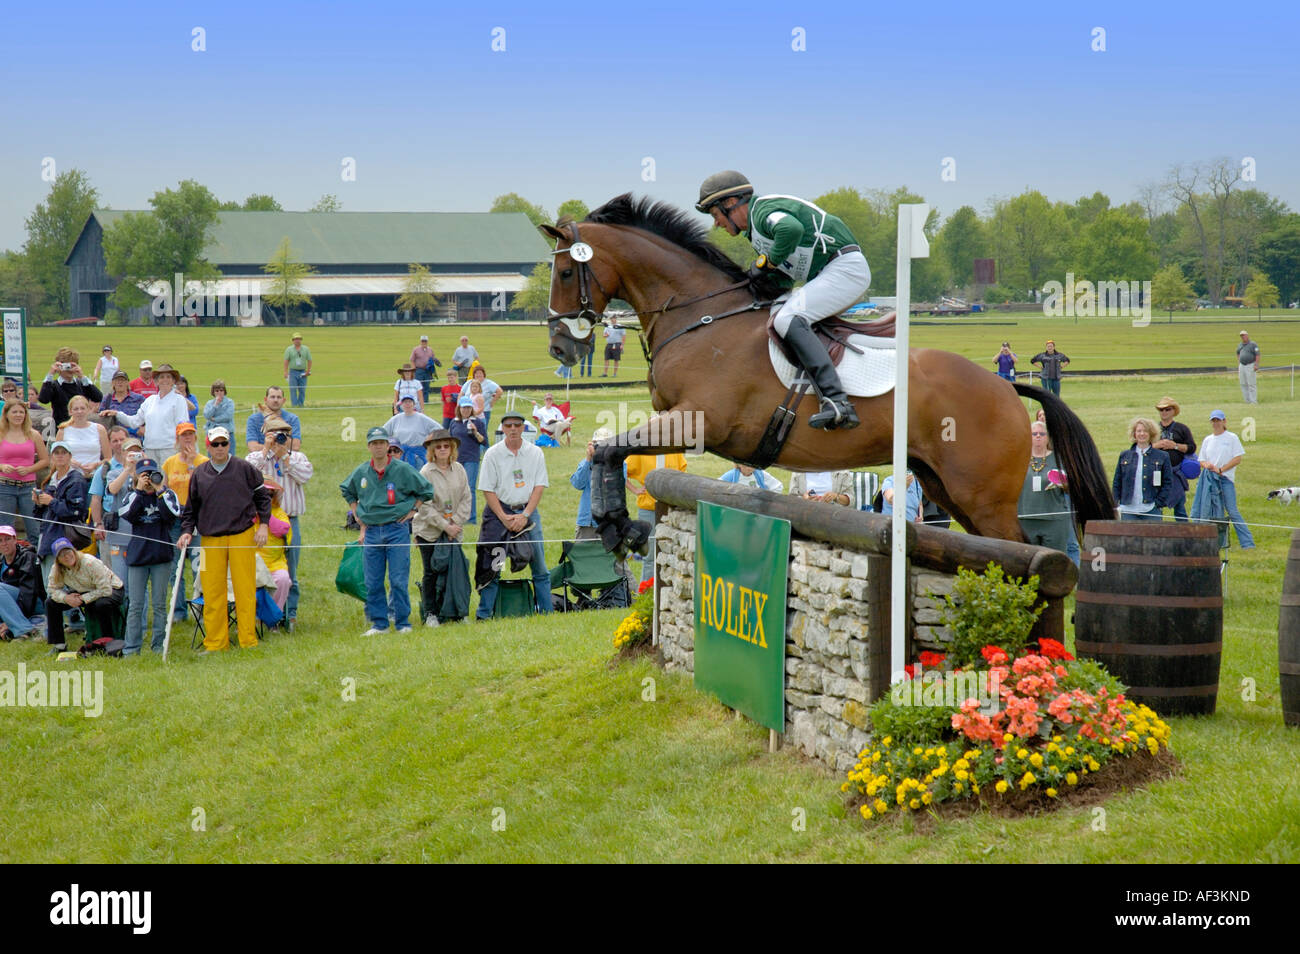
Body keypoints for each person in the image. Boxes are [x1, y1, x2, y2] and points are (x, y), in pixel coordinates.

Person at [696, 170, 869, 429]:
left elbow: (791, 229)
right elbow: (784, 278)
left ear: (730, 203)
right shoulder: (756, 233)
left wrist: (767, 262)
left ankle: (837, 401)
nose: (716, 224)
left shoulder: (762, 212)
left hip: (845, 269)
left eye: (715, 215)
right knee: (776, 312)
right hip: (832, 272)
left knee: (788, 318)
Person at [176, 427, 271, 652]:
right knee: (212, 591)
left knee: (245, 589)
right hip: (210, 538)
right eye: (215, 444)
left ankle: (248, 640)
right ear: (208, 446)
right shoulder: (199, 473)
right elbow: (191, 508)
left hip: (241, 534)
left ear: (229, 445)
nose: (220, 448)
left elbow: (263, 497)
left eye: (224, 443)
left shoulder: (244, 468)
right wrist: (187, 530)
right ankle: (216, 642)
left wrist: (264, 525)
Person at [340, 427, 435, 636]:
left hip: (396, 529)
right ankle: (379, 624)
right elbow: (347, 489)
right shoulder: (362, 471)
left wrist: (414, 510)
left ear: (387, 446)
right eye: (374, 443)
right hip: (372, 530)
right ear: (369, 447)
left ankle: (402, 623)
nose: (379, 447)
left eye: (382, 443)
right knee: (372, 580)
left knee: (398, 579)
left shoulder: (402, 469)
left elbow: (426, 490)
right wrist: (356, 512)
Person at [475, 409, 552, 619]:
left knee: (540, 566)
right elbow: (487, 489)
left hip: (528, 514)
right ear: (502, 428)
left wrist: (525, 515)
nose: (513, 429)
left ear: (523, 427)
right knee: (494, 566)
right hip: (499, 515)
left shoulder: (535, 453)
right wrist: (503, 517)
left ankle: (547, 613)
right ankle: (484, 615)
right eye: (508, 425)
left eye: (517, 425)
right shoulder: (492, 454)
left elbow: (539, 486)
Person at [245, 417, 313, 629]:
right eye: (274, 434)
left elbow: (305, 476)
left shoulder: (298, 457)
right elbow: (246, 475)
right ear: (265, 435)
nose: (279, 439)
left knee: (290, 571)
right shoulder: (255, 457)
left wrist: (285, 457)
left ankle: (289, 615)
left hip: (289, 520)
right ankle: (262, 616)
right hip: (261, 521)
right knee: (259, 570)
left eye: (283, 435)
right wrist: (266, 451)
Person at [119, 458, 181, 656]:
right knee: (135, 605)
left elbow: (172, 515)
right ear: (136, 476)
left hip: (161, 557)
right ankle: (131, 648)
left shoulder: (167, 494)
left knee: (159, 605)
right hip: (138, 557)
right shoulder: (132, 495)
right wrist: (139, 490)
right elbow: (127, 514)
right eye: (143, 474)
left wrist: (159, 490)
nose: (147, 478)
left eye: (151, 474)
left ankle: (158, 647)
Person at [414, 429, 472, 626]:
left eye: (446, 446)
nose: (442, 449)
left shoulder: (460, 469)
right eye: (438, 447)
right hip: (429, 532)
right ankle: (431, 613)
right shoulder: (425, 472)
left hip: (454, 530)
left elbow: (466, 498)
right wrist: (445, 526)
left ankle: (456, 612)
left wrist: (455, 523)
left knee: (454, 571)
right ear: (432, 450)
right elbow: (424, 506)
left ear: (452, 448)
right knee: (431, 572)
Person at [43, 537, 125, 654]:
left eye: (68, 552)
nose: (66, 557)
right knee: (50, 603)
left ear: (74, 551)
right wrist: (66, 598)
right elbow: (52, 589)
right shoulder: (56, 569)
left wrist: (82, 598)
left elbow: (105, 590)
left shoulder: (89, 562)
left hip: (112, 589)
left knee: (101, 604)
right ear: (58, 560)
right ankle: (59, 645)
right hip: (83, 591)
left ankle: (109, 643)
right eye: (61, 555)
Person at [163, 423, 208, 618]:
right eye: (184, 435)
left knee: (200, 567)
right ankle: (178, 611)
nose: (187, 438)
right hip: (176, 520)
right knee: (175, 569)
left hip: (198, 519)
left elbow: (203, 489)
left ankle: (201, 610)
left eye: (191, 434)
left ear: (196, 438)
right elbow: (164, 491)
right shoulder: (170, 462)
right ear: (177, 439)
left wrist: (191, 465)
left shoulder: (203, 462)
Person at [1192, 410, 1255, 550]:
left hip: (1225, 479)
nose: (1216, 423)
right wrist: (1207, 465)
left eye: (1218, 420)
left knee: (1232, 511)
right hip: (1210, 479)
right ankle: (1214, 541)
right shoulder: (1208, 440)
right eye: (1213, 421)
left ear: (1224, 421)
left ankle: (1247, 543)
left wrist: (1221, 470)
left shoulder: (1232, 438)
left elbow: (1237, 458)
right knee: (1210, 509)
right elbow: (1201, 459)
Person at [625, 446, 688, 586]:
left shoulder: (674, 449)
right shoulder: (642, 450)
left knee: (671, 552)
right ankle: (646, 590)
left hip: (670, 508)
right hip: (648, 509)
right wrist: (635, 490)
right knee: (650, 555)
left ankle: (668, 588)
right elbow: (621, 471)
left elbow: (683, 476)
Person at [1018, 420, 1077, 561]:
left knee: (1054, 562)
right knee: (1027, 561)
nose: (1038, 436)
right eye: (1034, 434)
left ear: (1048, 437)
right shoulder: (1019, 458)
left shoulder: (1059, 458)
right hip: (1026, 519)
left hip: (1054, 520)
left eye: (1042, 434)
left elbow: (1074, 487)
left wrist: (1064, 484)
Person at [112, 363, 189, 462]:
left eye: (168, 377)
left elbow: (182, 425)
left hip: (170, 449)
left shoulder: (179, 400)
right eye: (162, 377)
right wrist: (117, 414)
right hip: (150, 449)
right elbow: (134, 422)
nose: (165, 380)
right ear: (156, 381)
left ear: (173, 381)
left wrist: (184, 448)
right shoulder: (150, 400)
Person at [33, 441, 89, 574]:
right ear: (51, 457)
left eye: (63, 453)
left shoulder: (77, 480)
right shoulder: (50, 480)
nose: (60, 456)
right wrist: (39, 503)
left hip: (66, 538)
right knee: (48, 580)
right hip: (47, 536)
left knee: (62, 580)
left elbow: (75, 512)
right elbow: (39, 516)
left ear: (70, 456)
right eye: (56, 453)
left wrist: (51, 502)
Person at [0, 398, 48, 543]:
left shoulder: (33, 435)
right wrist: (2, 466)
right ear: (6, 414)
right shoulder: (1, 434)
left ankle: (35, 555)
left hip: (28, 487)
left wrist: (29, 469)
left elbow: (45, 460)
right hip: (4, 486)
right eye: (14, 412)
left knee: (34, 528)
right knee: (5, 530)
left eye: (21, 412)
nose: (18, 415)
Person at [89, 426, 131, 583]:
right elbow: (96, 499)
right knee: (110, 572)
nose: (119, 443)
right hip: (111, 523)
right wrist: (98, 524)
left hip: (134, 525)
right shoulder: (105, 469)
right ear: (110, 444)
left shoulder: (140, 466)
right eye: (115, 441)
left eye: (122, 440)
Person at [1112, 417, 1173, 522]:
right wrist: (1115, 503)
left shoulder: (1163, 456)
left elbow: (1168, 482)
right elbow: (1117, 482)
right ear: (1134, 434)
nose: (1142, 434)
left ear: (1151, 434)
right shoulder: (1124, 455)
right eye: (1139, 431)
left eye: (1145, 431)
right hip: (1127, 510)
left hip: (1151, 509)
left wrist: (1158, 503)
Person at [1151, 396, 1197, 522]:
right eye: (1161, 410)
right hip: (1157, 472)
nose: (1164, 412)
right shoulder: (1153, 429)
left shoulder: (1182, 428)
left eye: (1167, 409)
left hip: (1175, 472)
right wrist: (1157, 445)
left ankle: (1184, 531)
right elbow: (1143, 447)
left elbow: (1191, 447)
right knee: (1156, 505)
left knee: (1180, 507)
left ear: (1173, 411)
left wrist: (1175, 446)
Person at [0, 525, 45, 641]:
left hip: (34, 602)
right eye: (0, 541)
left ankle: (23, 629)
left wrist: (10, 621)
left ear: (15, 539)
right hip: (13, 606)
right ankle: (9, 629)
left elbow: (29, 593)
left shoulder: (27, 557)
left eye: (7, 539)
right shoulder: (1, 561)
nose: (4, 544)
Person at [255, 479, 293, 612]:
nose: (266, 498)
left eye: (269, 495)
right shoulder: (245, 512)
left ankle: (271, 616)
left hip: (274, 564)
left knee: (283, 579)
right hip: (248, 564)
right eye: (261, 495)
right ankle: (249, 617)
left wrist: (264, 515)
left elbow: (283, 530)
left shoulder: (279, 513)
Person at [447, 395, 486, 524]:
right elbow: (450, 440)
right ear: (459, 408)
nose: (466, 410)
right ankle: (457, 515)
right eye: (464, 408)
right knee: (456, 488)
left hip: (471, 458)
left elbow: (484, 441)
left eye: (469, 408)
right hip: (456, 459)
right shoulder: (454, 422)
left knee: (470, 488)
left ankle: (471, 517)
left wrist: (475, 432)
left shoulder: (478, 422)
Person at [38, 348, 103, 426]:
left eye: (72, 365)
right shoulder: (54, 385)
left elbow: (98, 397)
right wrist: (50, 374)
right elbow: (43, 399)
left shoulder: (82, 384)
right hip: (62, 427)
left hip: (81, 426)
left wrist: (82, 377)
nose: (69, 369)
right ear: (59, 366)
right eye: (66, 366)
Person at [57, 395, 110, 479]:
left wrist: (96, 465)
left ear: (88, 410)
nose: (79, 412)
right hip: (70, 477)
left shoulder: (99, 429)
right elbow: (55, 458)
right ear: (70, 412)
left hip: (94, 475)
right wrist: (68, 461)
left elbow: (108, 459)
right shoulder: (63, 431)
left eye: (82, 408)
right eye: (76, 409)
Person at [384, 396, 440, 467]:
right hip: (400, 455)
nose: (407, 404)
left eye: (409, 402)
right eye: (405, 402)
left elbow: (439, 429)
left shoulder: (422, 418)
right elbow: (383, 432)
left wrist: (428, 441)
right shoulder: (396, 419)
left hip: (418, 455)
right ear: (401, 405)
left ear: (414, 404)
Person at [246, 386, 302, 453]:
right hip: (262, 457)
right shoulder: (254, 419)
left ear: (283, 400)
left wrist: (283, 431)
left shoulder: (292, 419)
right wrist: (279, 447)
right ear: (265, 399)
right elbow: (253, 448)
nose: (276, 400)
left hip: (286, 457)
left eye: (279, 397)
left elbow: (295, 447)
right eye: (272, 397)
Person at [99, 371, 143, 438]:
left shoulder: (138, 399)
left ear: (127, 382)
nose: (120, 382)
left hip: (134, 437)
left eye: (122, 380)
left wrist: (144, 428)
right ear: (113, 383)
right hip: (114, 438)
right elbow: (101, 419)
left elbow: (147, 415)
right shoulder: (107, 400)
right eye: (117, 380)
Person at [789, 471, 855, 505]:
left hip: (834, 516)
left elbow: (851, 501)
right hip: (806, 515)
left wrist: (836, 497)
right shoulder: (798, 471)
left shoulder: (841, 471)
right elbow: (791, 501)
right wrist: (804, 500)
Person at [283, 332, 313, 407]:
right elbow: (286, 361)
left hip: (303, 372)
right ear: (293, 340)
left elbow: (309, 360)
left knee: (302, 390)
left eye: (299, 339)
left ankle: (301, 404)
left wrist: (308, 371)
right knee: (293, 389)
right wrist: (285, 372)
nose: (297, 340)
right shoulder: (289, 349)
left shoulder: (306, 349)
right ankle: (294, 405)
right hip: (293, 372)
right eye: (296, 339)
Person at [411, 334, 440, 403]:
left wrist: (435, 364)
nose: (424, 342)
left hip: (427, 371)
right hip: (419, 370)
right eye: (422, 341)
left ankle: (426, 401)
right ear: (420, 341)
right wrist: (414, 370)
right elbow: (412, 360)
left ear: (427, 342)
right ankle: (418, 402)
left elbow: (433, 359)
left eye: (425, 341)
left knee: (426, 386)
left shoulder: (430, 350)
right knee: (419, 386)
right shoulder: (416, 349)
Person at [719, 463, 784, 492]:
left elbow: (777, 486)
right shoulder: (731, 476)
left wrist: (768, 501)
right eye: (745, 465)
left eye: (752, 465)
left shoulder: (760, 474)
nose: (749, 468)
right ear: (738, 464)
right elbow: (717, 488)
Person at [1237, 330, 1260, 404]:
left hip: (1250, 365)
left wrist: (1256, 364)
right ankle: (1247, 401)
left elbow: (1257, 354)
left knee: (1251, 383)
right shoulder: (1240, 345)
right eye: (1241, 336)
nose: (1242, 337)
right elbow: (1238, 353)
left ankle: (1253, 401)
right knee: (1243, 383)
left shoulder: (1253, 344)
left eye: (1244, 335)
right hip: (1242, 366)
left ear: (1247, 335)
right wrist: (1239, 361)